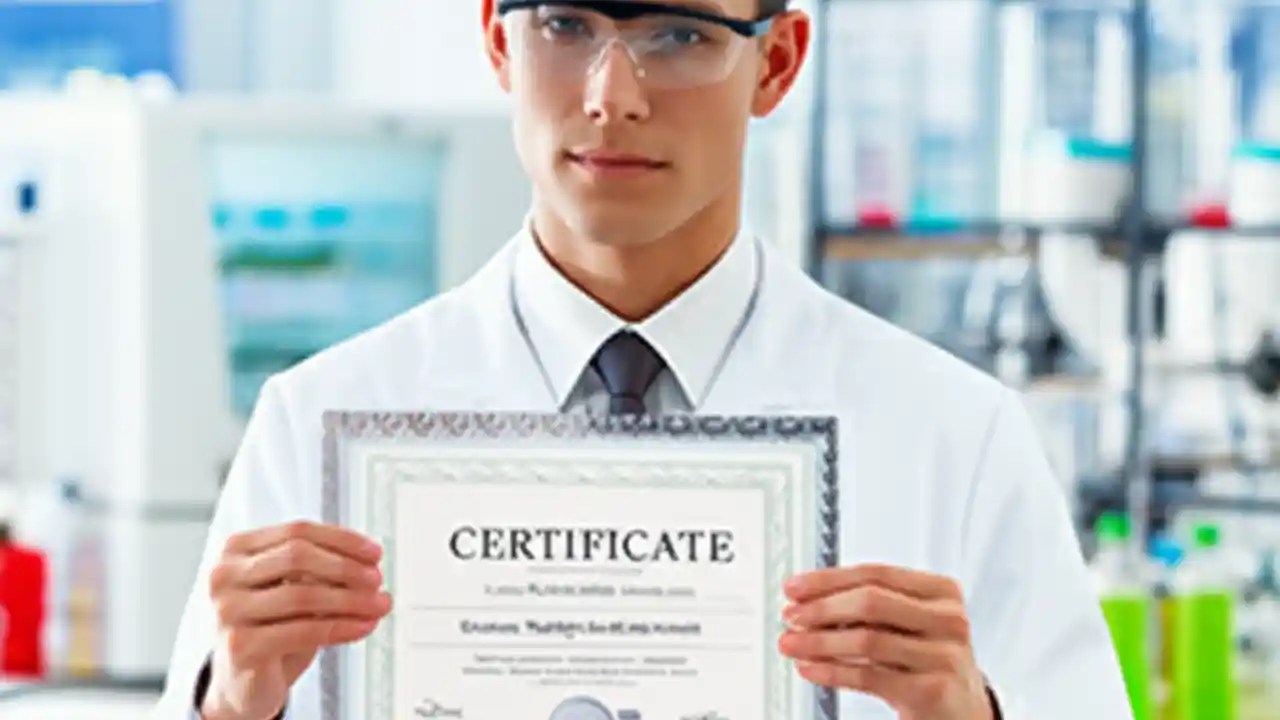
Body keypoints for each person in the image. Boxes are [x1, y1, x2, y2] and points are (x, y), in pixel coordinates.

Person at [155, 0, 1132, 717]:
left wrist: (972, 717)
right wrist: (236, 706)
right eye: (563, 26)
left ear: (777, 63)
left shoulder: (950, 438)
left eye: (677, 35)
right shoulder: (318, 422)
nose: (609, 96)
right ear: (497, 39)